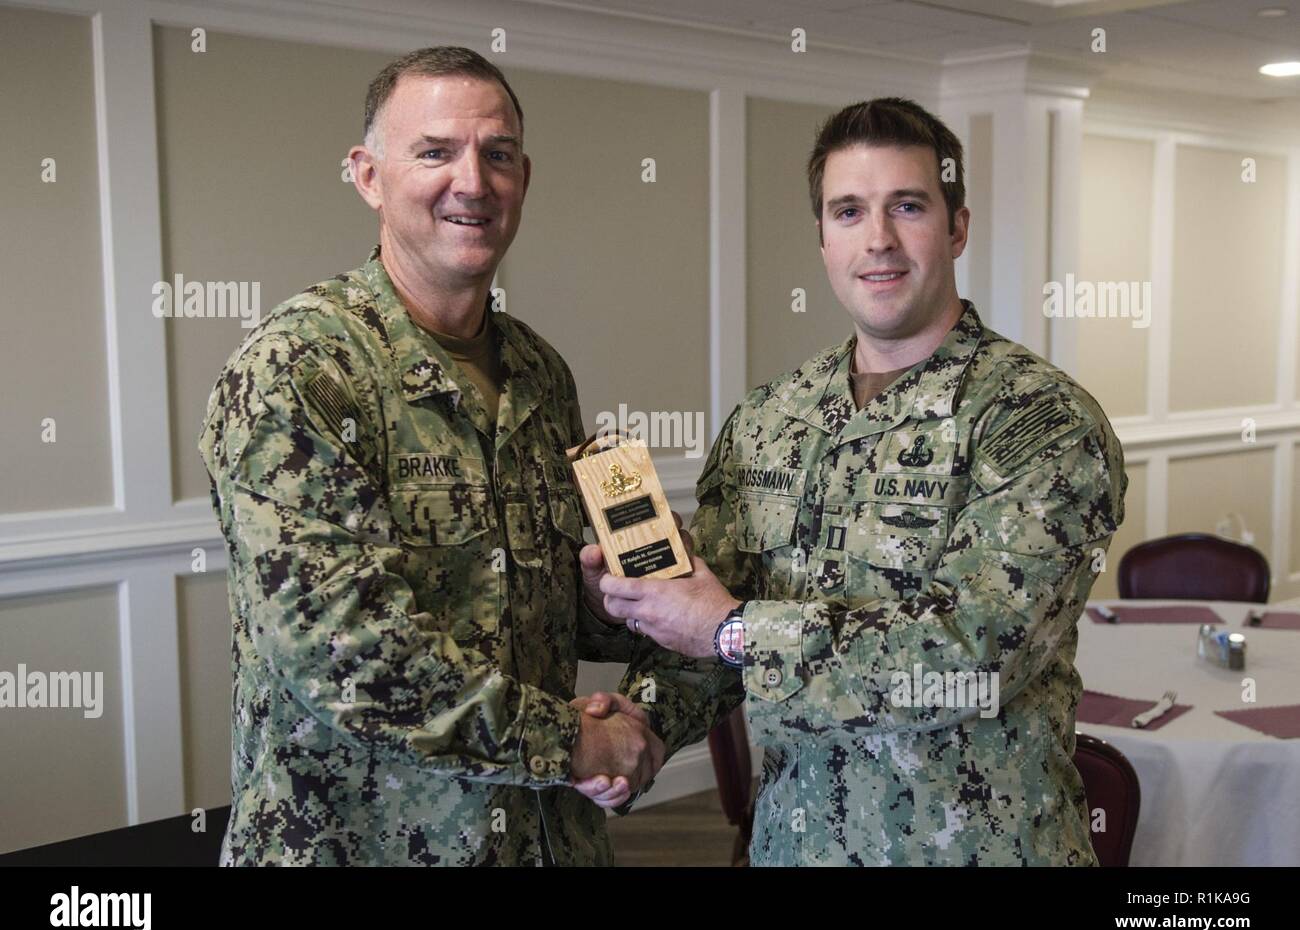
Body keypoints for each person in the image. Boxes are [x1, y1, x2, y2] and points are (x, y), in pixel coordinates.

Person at [599, 97, 1128, 865]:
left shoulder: (1039, 422)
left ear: (956, 227)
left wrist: (736, 629)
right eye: (848, 211)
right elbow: (705, 621)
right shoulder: (767, 420)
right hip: (791, 846)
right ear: (821, 237)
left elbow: (972, 657)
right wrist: (638, 725)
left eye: (906, 206)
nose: (877, 239)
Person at [198, 46, 666, 866]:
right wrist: (577, 744)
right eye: (436, 151)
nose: (473, 182)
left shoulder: (540, 372)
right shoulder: (299, 371)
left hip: (542, 839)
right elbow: (345, 652)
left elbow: (534, 602)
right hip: (361, 843)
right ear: (368, 175)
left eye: (499, 155)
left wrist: (608, 597)